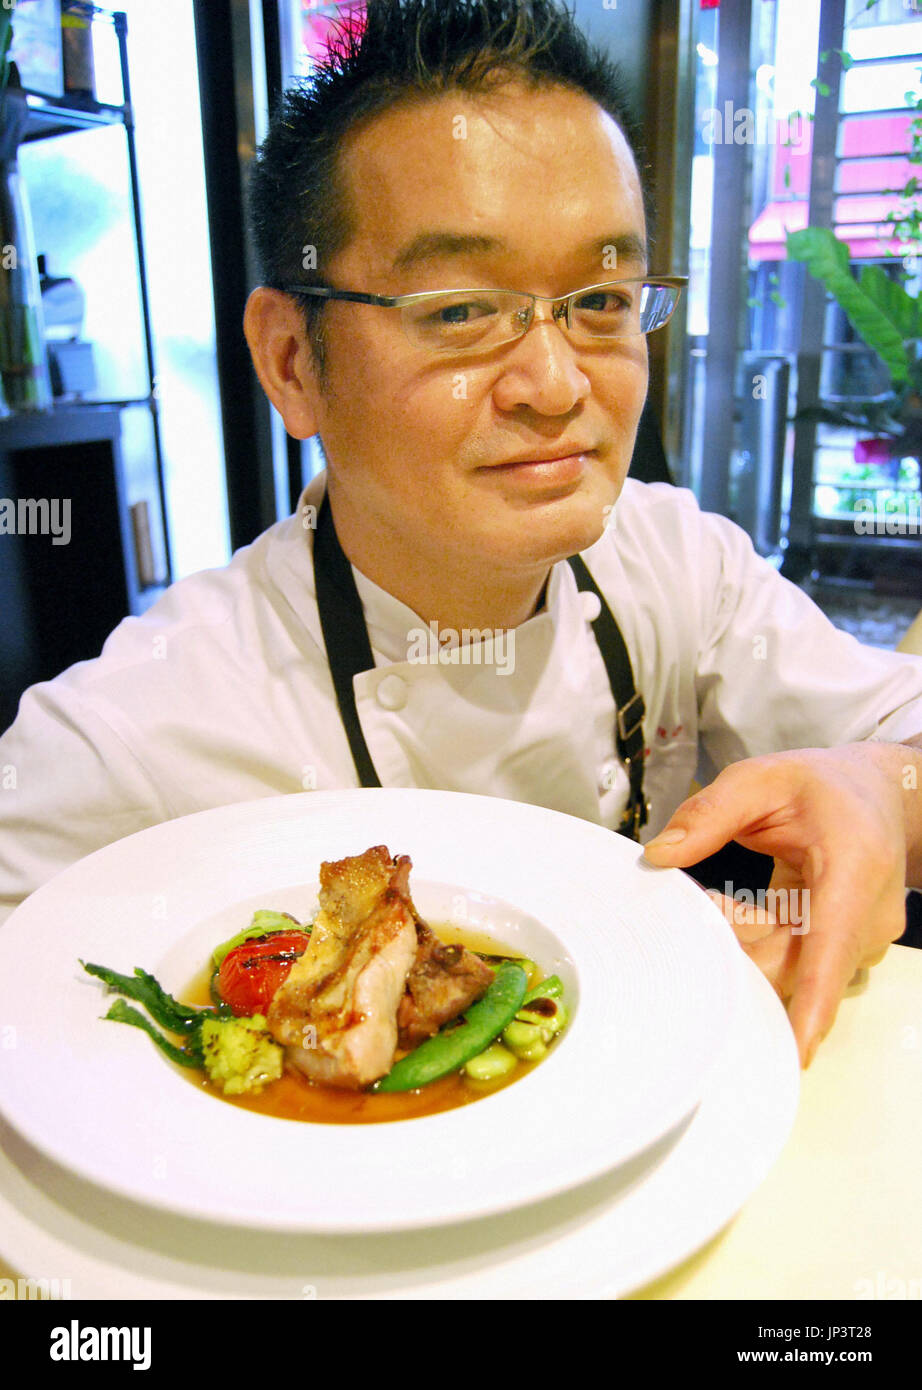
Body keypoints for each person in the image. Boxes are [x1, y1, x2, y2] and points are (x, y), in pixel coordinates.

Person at [1, 0, 921, 1071]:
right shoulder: (148, 719)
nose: (556, 382)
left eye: (600, 298)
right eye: (457, 310)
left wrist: (878, 789)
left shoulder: (679, 565)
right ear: (293, 361)